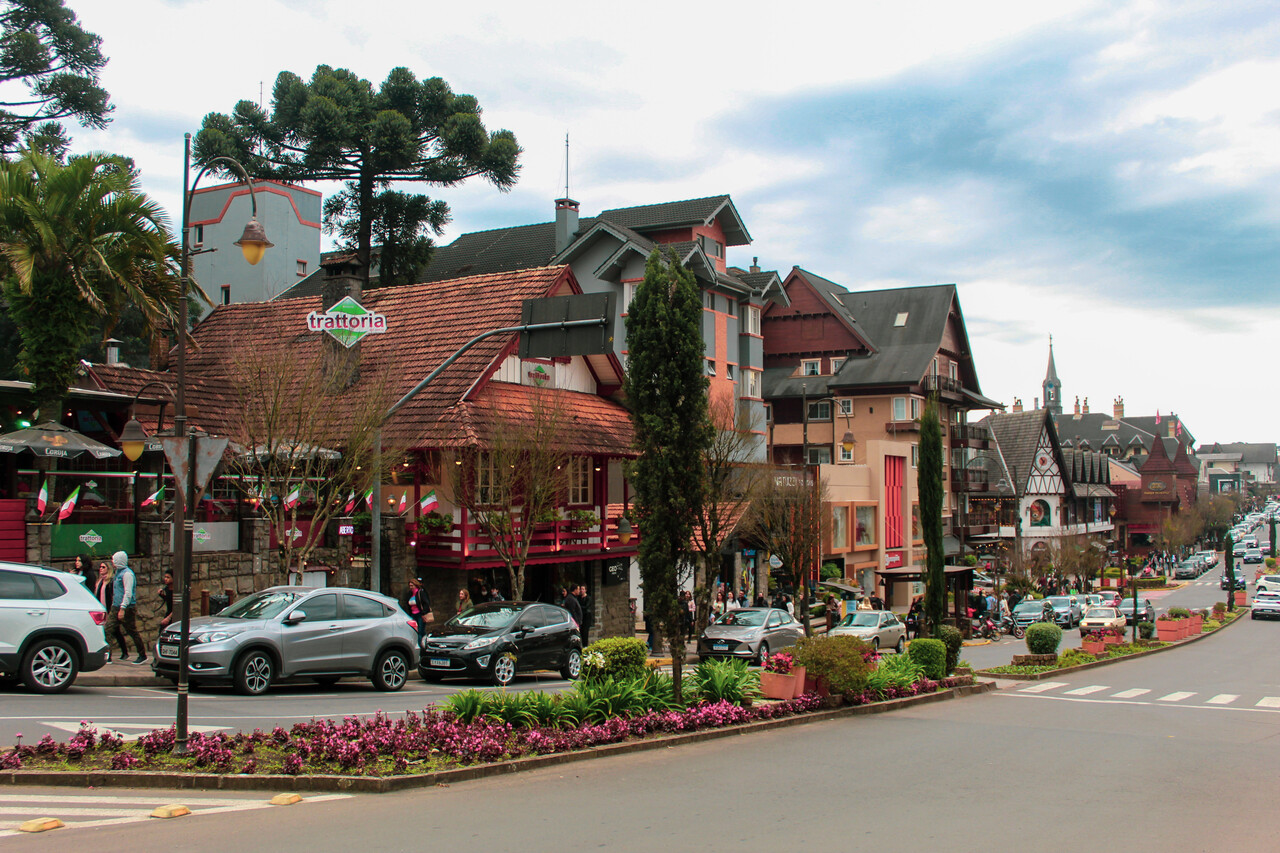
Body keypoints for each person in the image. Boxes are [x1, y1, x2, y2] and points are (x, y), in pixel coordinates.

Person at [106, 551, 145, 664]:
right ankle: (107, 655)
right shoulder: (118, 573)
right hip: (116, 605)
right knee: (108, 629)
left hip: (126, 607)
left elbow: (128, 593)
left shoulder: (127, 574)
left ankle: (142, 654)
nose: (112, 562)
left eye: (114, 560)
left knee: (131, 630)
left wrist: (123, 608)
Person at [93, 560, 115, 662]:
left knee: (109, 632)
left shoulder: (110, 581)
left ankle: (109, 655)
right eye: (100, 567)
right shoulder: (100, 581)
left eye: (103, 567)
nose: (101, 569)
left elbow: (111, 596)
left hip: (108, 609)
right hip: (100, 610)